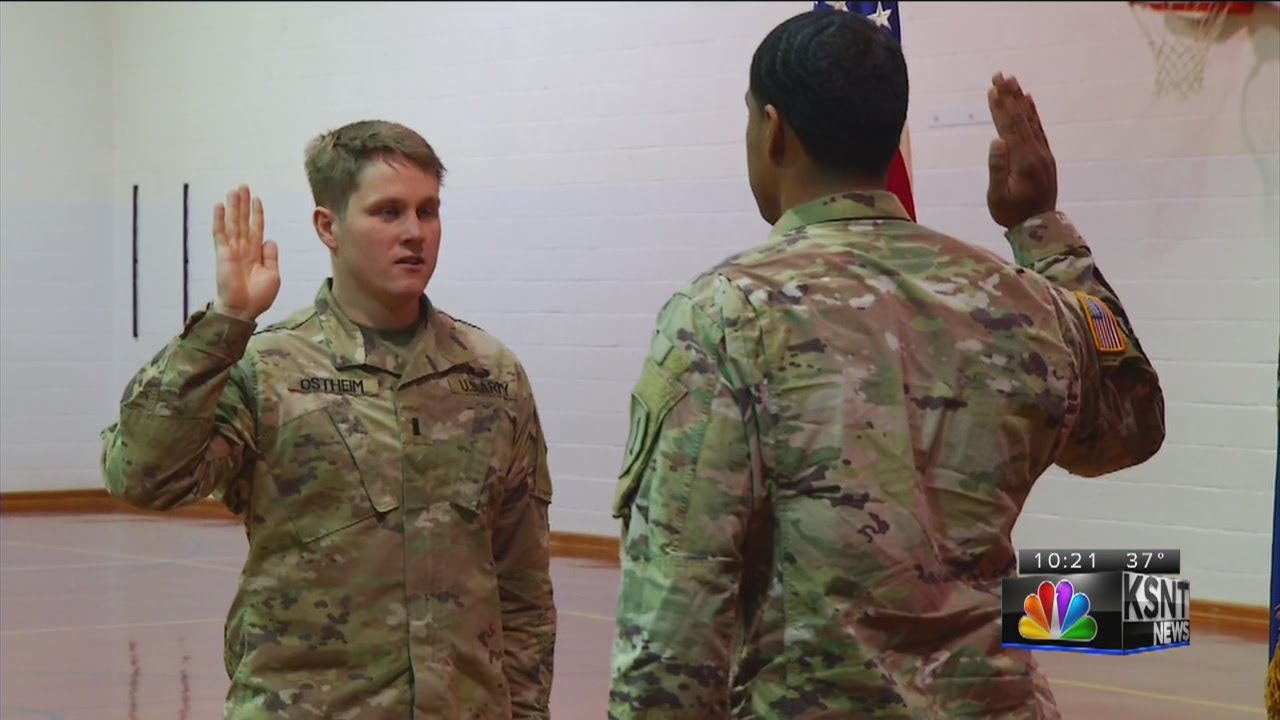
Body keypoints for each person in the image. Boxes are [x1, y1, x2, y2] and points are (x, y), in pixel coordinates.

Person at [607, 10, 1165, 720]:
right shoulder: (1024, 302)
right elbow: (1135, 421)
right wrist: (1040, 227)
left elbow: (675, 619)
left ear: (773, 130)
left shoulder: (724, 316)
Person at [100, 120, 556, 719]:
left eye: (428, 211)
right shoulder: (268, 368)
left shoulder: (491, 376)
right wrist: (226, 322)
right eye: (388, 212)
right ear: (328, 227)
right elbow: (141, 477)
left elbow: (521, 582)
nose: (415, 233)